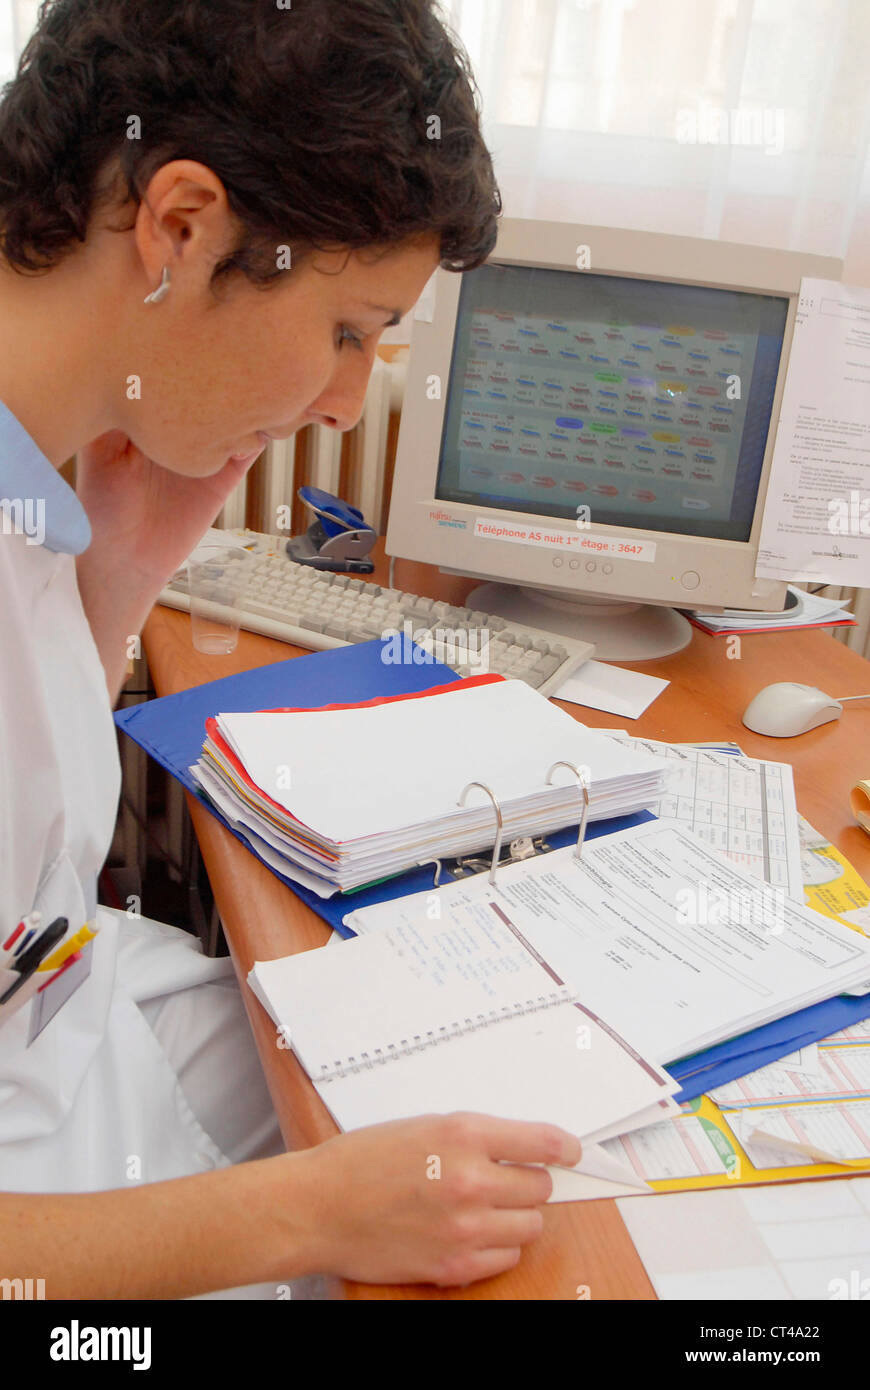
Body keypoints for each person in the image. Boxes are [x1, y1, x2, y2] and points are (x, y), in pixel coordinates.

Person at [0, 0, 582, 1298]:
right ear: (183, 226)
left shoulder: (41, 470)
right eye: (345, 329)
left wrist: (119, 578)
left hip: (71, 1049)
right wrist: (299, 1217)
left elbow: (27, 864)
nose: (342, 398)